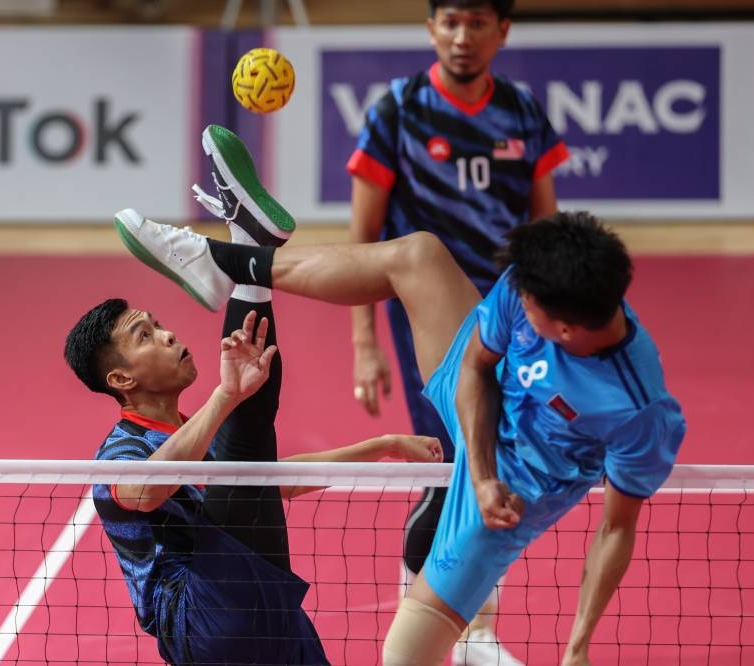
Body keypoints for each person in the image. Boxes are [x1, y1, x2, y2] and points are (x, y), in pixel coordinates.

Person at [112, 127, 685, 666]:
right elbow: (481, 364)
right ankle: (236, 260)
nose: (515, 311)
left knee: (401, 658)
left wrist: (578, 647)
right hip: (478, 416)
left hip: (497, 508)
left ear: (565, 330)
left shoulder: (640, 412)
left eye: (531, 317)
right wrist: (476, 466)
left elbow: (616, 529)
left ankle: (237, 260)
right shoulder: (529, 282)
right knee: (420, 256)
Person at [64, 136, 442, 666]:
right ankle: (244, 252)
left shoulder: (195, 433)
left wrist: (381, 445)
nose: (168, 335)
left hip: (268, 612)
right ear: (121, 379)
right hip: (201, 615)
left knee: (248, 455)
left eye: (159, 324)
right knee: (245, 425)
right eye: (145, 336)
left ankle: (246, 252)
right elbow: (146, 491)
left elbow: (270, 481)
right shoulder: (120, 452)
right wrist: (225, 395)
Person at [348, 1, 568, 661]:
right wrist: (364, 344)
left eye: (476, 23)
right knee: (448, 462)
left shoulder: (523, 112)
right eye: (449, 22)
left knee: (492, 459)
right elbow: (365, 238)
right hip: (425, 315)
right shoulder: (398, 109)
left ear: (502, 31)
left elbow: (545, 227)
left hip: (508, 316)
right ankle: (442, 622)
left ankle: (473, 627)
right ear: (430, 29)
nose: (461, 37)